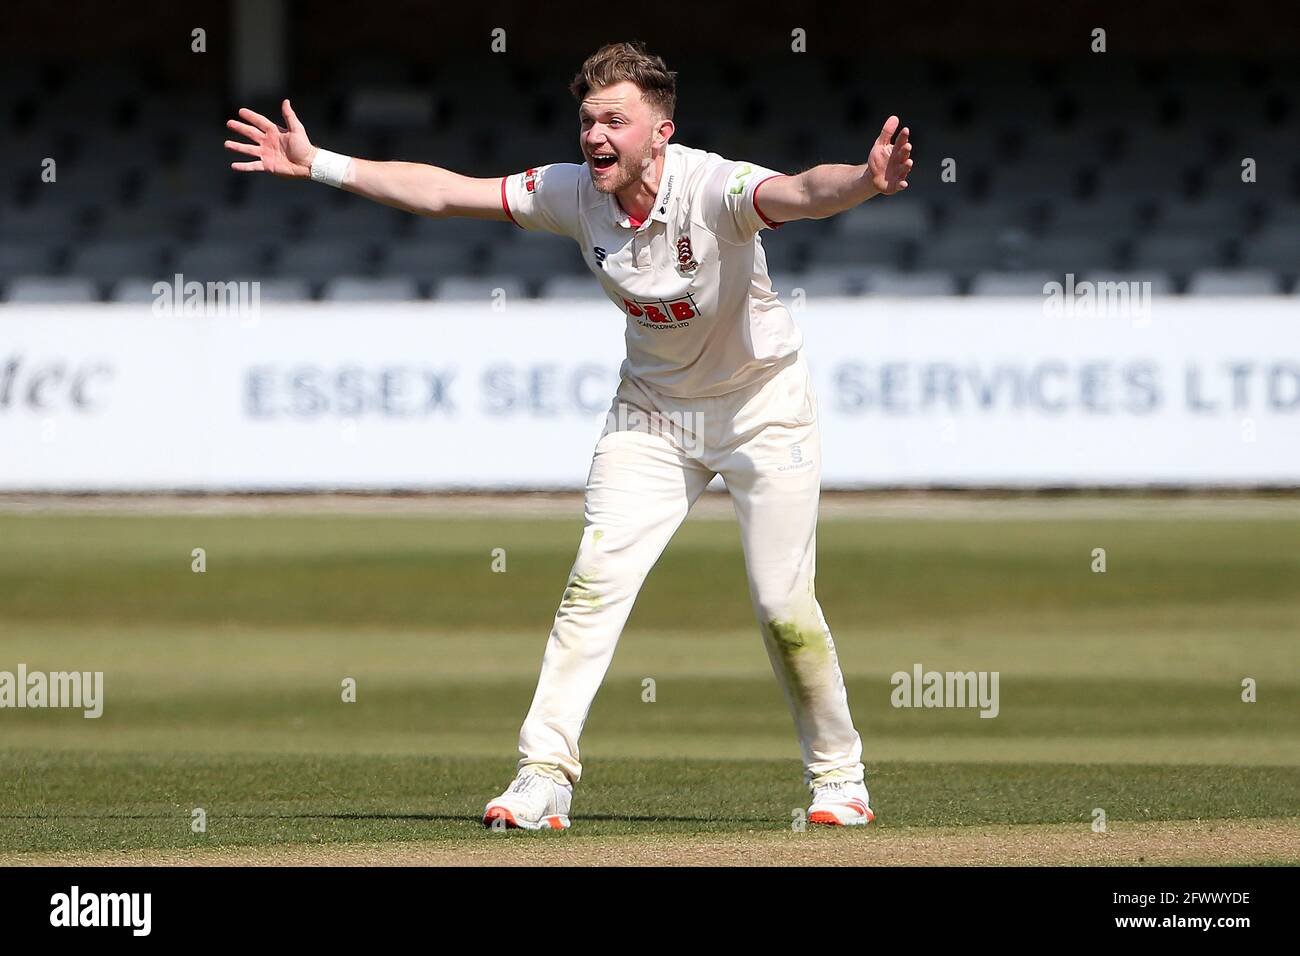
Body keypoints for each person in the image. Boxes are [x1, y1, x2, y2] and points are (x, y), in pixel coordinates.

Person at [225, 39, 912, 830]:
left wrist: (863, 182)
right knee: (594, 583)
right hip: (653, 412)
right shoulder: (571, 192)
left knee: (782, 604)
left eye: (614, 121)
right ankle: (544, 774)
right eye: (587, 120)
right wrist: (320, 164)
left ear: (660, 130)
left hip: (765, 407)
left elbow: (799, 192)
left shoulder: (713, 186)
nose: (594, 137)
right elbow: (447, 193)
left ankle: (839, 781)